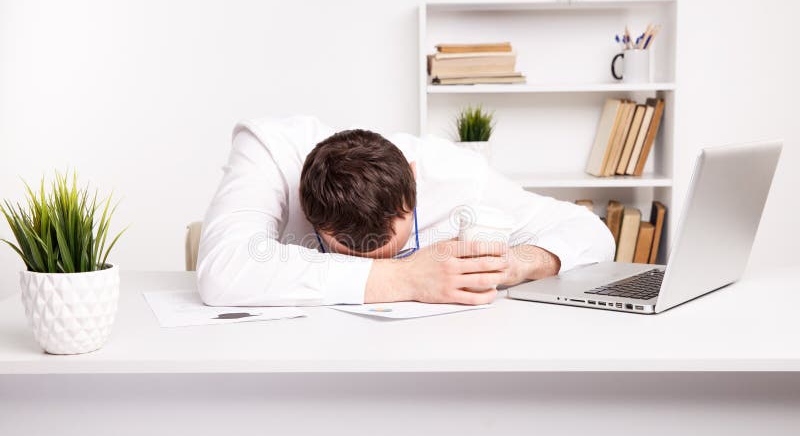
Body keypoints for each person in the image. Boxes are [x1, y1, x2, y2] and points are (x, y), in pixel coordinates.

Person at [197, 115, 614, 306]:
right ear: (308, 212)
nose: (378, 260)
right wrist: (408, 276)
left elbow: (590, 232)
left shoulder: (454, 172)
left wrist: (516, 263)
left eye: (393, 247)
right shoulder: (269, 151)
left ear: (414, 180)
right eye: (351, 255)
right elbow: (223, 271)